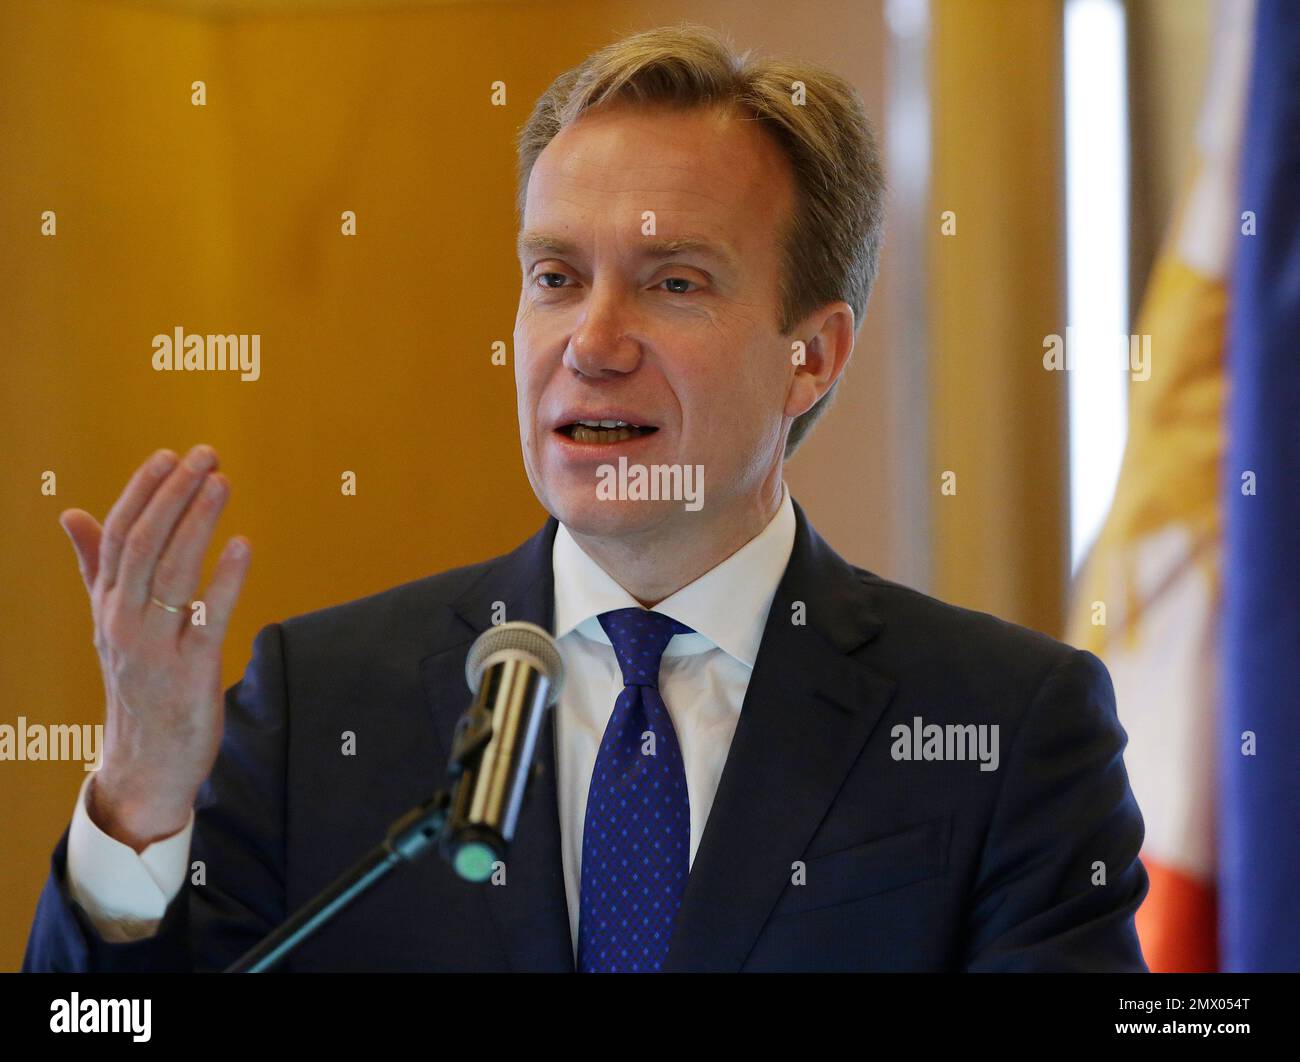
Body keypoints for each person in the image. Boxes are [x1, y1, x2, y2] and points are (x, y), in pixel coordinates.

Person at [24, 23, 1148, 972]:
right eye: (555, 278)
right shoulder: (321, 708)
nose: (592, 343)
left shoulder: (1005, 726)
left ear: (811, 354)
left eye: (673, 283)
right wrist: (138, 796)